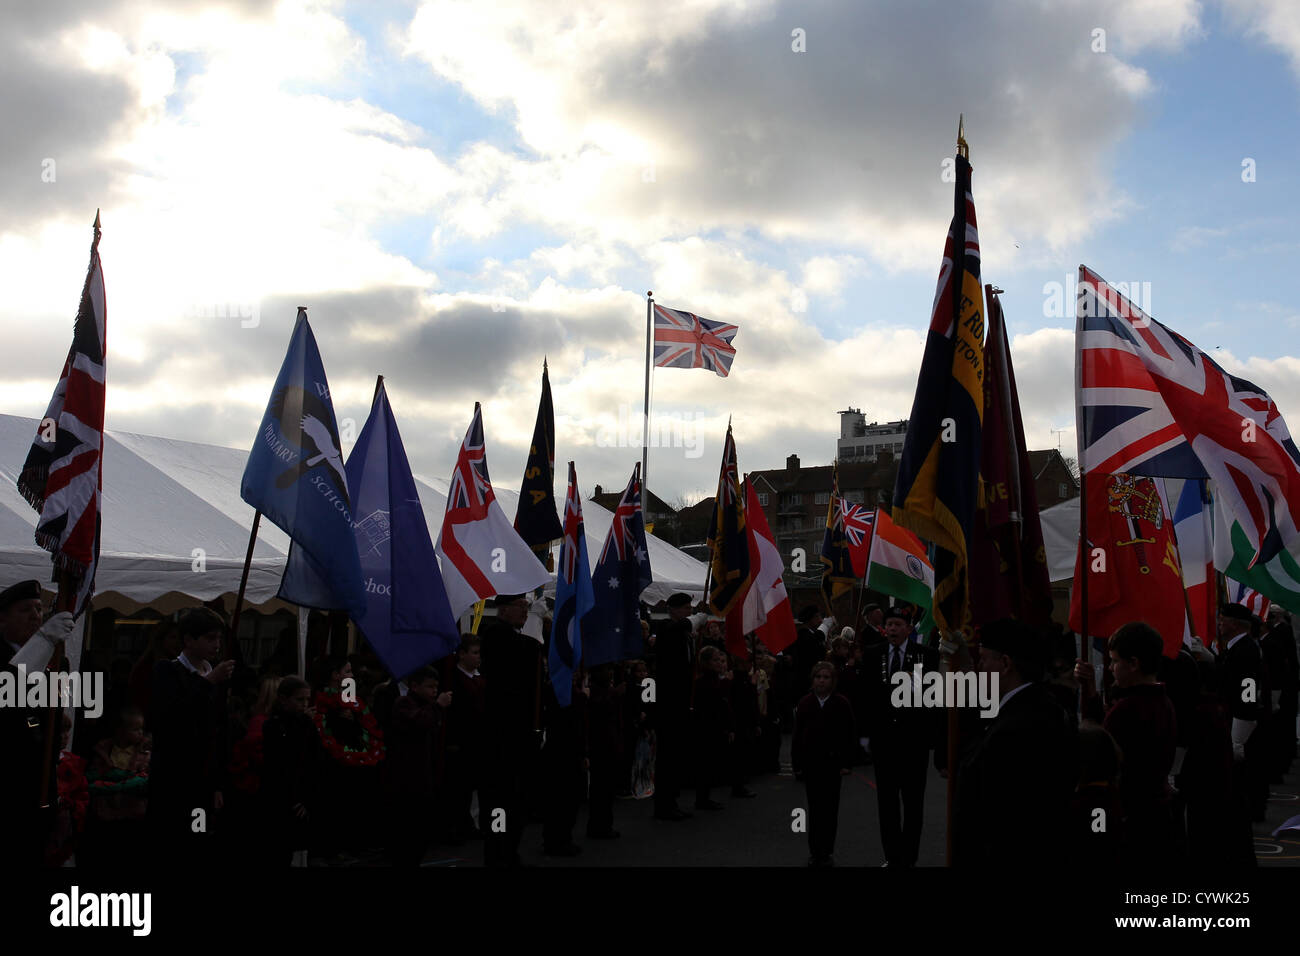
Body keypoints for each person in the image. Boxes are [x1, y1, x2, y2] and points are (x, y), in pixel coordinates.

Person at [952, 618, 1077, 868]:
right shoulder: (1038, 707)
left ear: (1006, 664)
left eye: (983, 659)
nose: (979, 668)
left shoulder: (1015, 728)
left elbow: (997, 819)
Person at [1073, 622, 1179, 863]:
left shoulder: (1129, 710)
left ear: (1133, 664)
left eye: (1114, 661)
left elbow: (1101, 752)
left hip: (1130, 818)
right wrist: (1091, 690)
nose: (1110, 667)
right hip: (1157, 815)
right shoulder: (1162, 702)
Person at [147, 606, 235, 865]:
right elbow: (171, 718)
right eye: (210, 638)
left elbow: (220, 732)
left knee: (199, 843)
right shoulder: (167, 671)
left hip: (204, 782)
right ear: (188, 639)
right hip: (173, 781)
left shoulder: (216, 675)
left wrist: (218, 784)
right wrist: (208, 683)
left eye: (219, 638)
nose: (216, 645)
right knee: (171, 844)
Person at [0, 580, 76, 865]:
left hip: (40, 781)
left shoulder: (56, 662)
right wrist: (42, 641)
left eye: (39, 609)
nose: (35, 616)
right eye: (25, 610)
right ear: (2, 619)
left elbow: (50, 721)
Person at [860, 606, 939, 867]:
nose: (892, 629)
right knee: (887, 804)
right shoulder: (873, 654)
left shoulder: (926, 655)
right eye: (889, 624)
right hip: (884, 743)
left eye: (897, 624)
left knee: (913, 804)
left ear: (908, 629)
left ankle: (909, 858)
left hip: (913, 743)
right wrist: (864, 736)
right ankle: (892, 857)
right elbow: (866, 696)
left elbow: (932, 698)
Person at [478, 593, 545, 866]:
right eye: (521, 606)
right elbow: (516, 654)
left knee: (517, 800)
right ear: (503, 609)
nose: (525, 612)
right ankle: (497, 852)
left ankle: (509, 849)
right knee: (500, 800)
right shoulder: (495, 635)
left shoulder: (521, 641)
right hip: (500, 738)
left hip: (518, 735)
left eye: (527, 607)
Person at [383, 667, 451, 866]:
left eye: (436, 687)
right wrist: (438, 706)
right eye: (429, 686)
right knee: (408, 833)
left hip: (425, 777)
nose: (434, 691)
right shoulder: (404, 704)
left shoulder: (426, 706)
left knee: (422, 831)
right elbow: (420, 722)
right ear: (414, 686)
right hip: (407, 779)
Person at [792, 662, 856, 866]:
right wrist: (797, 763)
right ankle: (815, 851)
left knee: (830, 809)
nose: (821, 681)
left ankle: (826, 850)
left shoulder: (841, 703)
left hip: (832, 764)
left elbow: (849, 735)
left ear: (833, 681)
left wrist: (847, 763)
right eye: (818, 677)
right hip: (811, 763)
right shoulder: (805, 703)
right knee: (814, 808)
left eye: (826, 677)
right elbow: (797, 735)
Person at [651, 593, 706, 821]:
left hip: (681, 701)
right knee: (667, 756)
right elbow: (675, 628)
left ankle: (672, 800)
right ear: (672, 609)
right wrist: (695, 620)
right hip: (668, 703)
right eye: (684, 607)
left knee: (675, 755)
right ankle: (664, 804)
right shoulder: (665, 627)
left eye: (690, 608)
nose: (689, 611)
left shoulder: (683, 633)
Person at [1214, 603, 1268, 822]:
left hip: (1239, 720)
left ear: (1234, 624)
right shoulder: (1238, 647)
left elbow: (1248, 690)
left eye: (1222, 620)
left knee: (1241, 780)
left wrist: (1239, 734)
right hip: (1234, 716)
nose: (1219, 623)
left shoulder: (1245, 649)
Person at [262, 676, 324, 866]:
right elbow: (278, 766)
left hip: (301, 798)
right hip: (280, 799)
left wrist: (307, 798)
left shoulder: (306, 724)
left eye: (307, 699)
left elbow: (315, 762)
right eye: (300, 699)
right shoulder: (273, 726)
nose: (304, 704)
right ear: (283, 699)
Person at [443, 635, 487, 843]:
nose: (478, 657)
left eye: (479, 653)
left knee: (474, 787)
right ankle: (455, 827)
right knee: (458, 787)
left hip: (478, 741)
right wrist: (452, 740)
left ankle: (472, 824)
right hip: (460, 742)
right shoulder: (453, 679)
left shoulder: (481, 678)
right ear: (462, 654)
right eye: (474, 653)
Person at [691, 646, 734, 810]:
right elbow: (714, 703)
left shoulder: (715, 679)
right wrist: (725, 684)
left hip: (716, 727)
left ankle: (705, 797)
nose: (719, 663)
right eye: (715, 660)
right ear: (706, 662)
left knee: (710, 764)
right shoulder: (703, 682)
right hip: (706, 728)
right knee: (705, 764)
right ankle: (702, 799)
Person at [1262, 607, 1299, 778]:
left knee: (1279, 730)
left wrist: (1273, 696)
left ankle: (1278, 768)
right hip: (1284, 687)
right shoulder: (1281, 633)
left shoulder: (1275, 638)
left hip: (1279, 688)